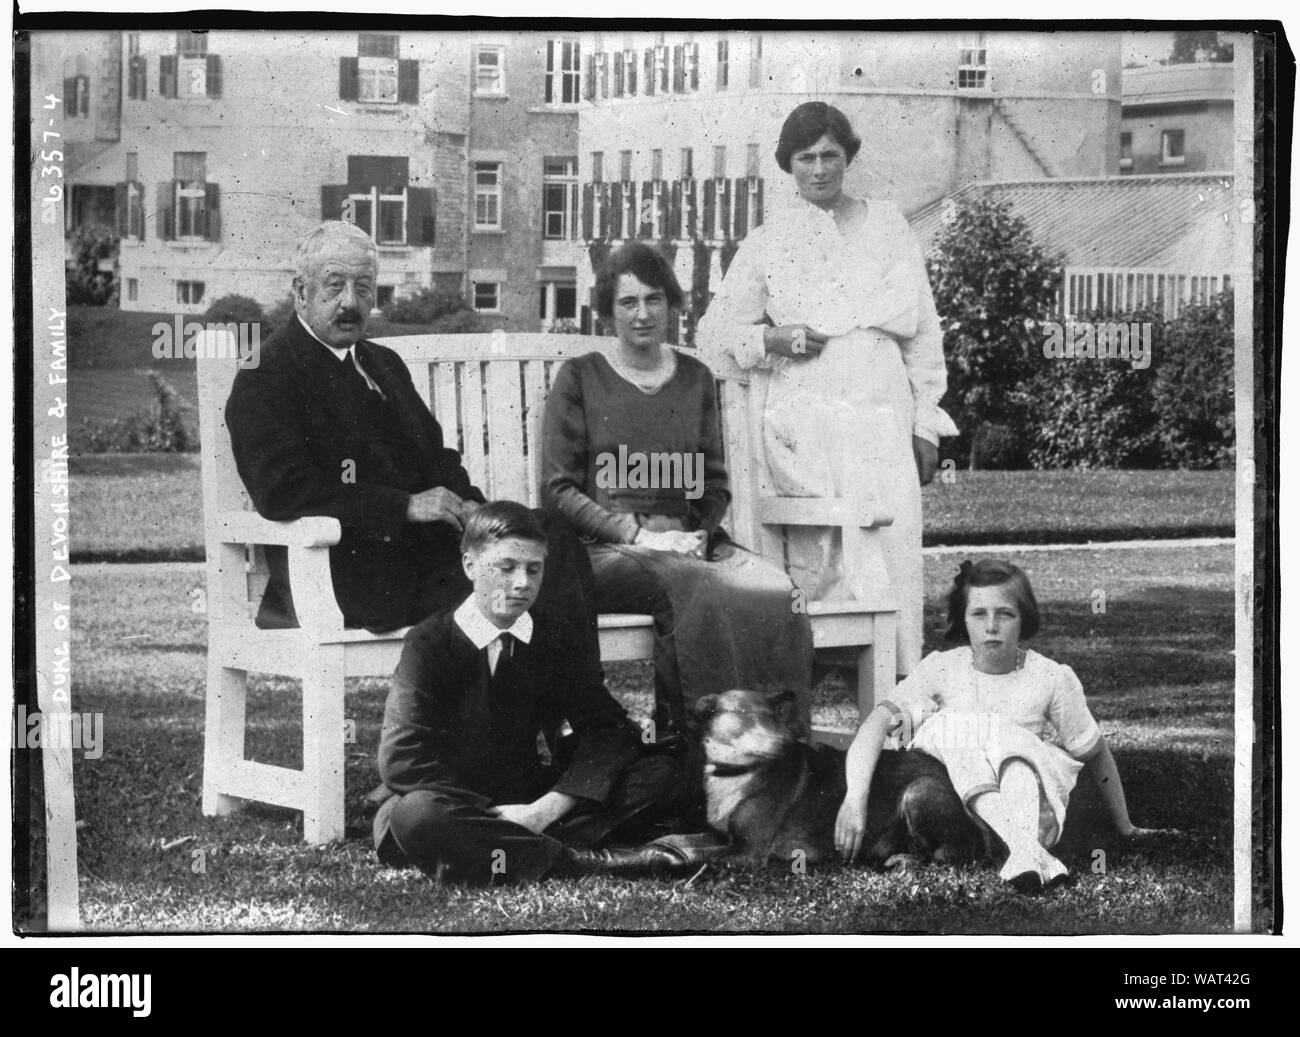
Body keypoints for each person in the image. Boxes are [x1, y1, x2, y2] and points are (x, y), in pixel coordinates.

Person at [225, 221, 598, 642]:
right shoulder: (271, 373)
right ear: (300, 290)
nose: (350, 302)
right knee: (519, 578)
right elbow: (283, 492)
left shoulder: (381, 363)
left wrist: (473, 505)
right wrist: (403, 506)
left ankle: (565, 702)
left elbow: (436, 458)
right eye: (334, 286)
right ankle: (558, 704)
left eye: (364, 288)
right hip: (345, 572)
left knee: (548, 535)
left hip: (422, 560)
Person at [697, 100, 958, 678]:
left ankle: (900, 693)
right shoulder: (769, 241)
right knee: (826, 556)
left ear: (849, 157)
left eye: (831, 155)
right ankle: (808, 686)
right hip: (808, 414)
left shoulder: (890, 224)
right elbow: (713, 335)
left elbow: (924, 331)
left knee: (892, 541)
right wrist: (775, 338)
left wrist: (925, 421)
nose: (820, 169)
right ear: (789, 165)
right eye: (806, 158)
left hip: (882, 408)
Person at [541, 242, 814, 740]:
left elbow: (713, 486)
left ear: (671, 304)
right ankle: (690, 748)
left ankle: (779, 749)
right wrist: (644, 538)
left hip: (684, 547)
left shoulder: (694, 378)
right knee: (694, 585)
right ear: (608, 312)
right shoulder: (581, 378)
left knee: (778, 591)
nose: (642, 315)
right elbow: (558, 490)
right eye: (627, 303)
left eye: (653, 300)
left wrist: (696, 532)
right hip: (602, 552)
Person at [374, 502, 689, 883]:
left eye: (534, 569)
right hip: (451, 799)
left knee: (658, 770)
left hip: (527, 795)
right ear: (470, 565)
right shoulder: (430, 641)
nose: (522, 582)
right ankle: (584, 862)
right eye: (506, 567)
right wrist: (489, 814)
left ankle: (507, 845)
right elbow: (402, 759)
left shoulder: (549, 635)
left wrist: (543, 809)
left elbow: (606, 730)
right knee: (416, 816)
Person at [835, 559, 1177, 893]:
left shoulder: (1049, 677)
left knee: (1014, 753)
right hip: (957, 811)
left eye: (1006, 614)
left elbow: (1095, 751)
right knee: (955, 729)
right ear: (963, 619)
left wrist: (1126, 827)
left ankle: (1024, 849)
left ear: (1023, 618)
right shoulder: (943, 669)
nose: (992, 626)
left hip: (1024, 799)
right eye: (979, 614)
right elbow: (877, 724)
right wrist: (855, 797)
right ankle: (1030, 855)